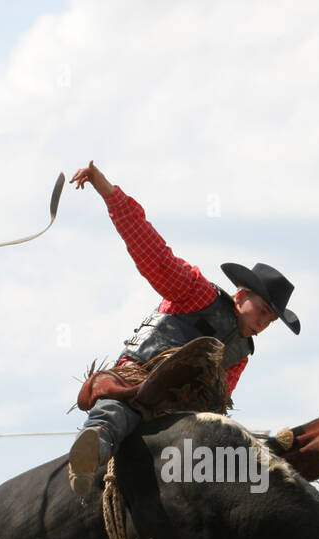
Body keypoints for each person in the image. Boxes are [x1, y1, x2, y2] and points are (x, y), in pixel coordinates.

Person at [65, 160, 300, 497]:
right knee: (118, 411)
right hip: (138, 382)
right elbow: (153, 253)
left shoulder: (240, 356)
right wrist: (107, 191)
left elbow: (216, 404)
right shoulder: (198, 295)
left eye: (270, 319)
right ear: (241, 295)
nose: (264, 322)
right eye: (262, 310)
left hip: (179, 416)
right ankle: (90, 453)